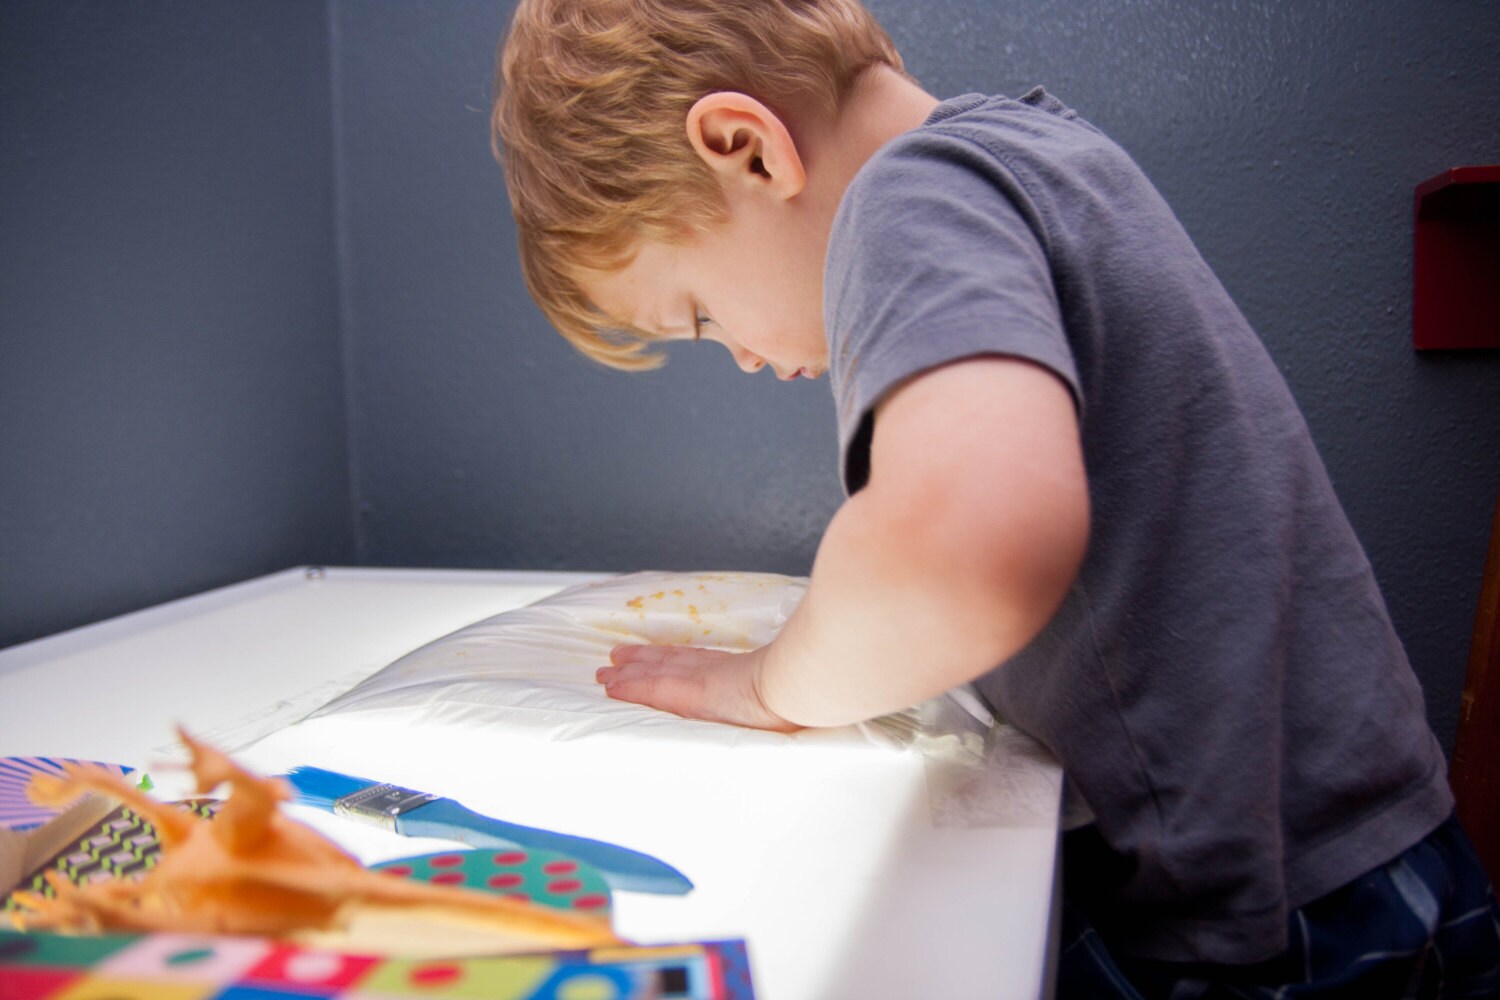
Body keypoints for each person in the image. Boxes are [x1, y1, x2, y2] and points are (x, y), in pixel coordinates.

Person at [491, 1, 1500, 995]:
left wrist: (764, 683)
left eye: (702, 314)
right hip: (1373, 850)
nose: (746, 355)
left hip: (1274, 925)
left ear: (747, 149)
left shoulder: (911, 199)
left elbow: (957, 556)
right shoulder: (1043, 148)